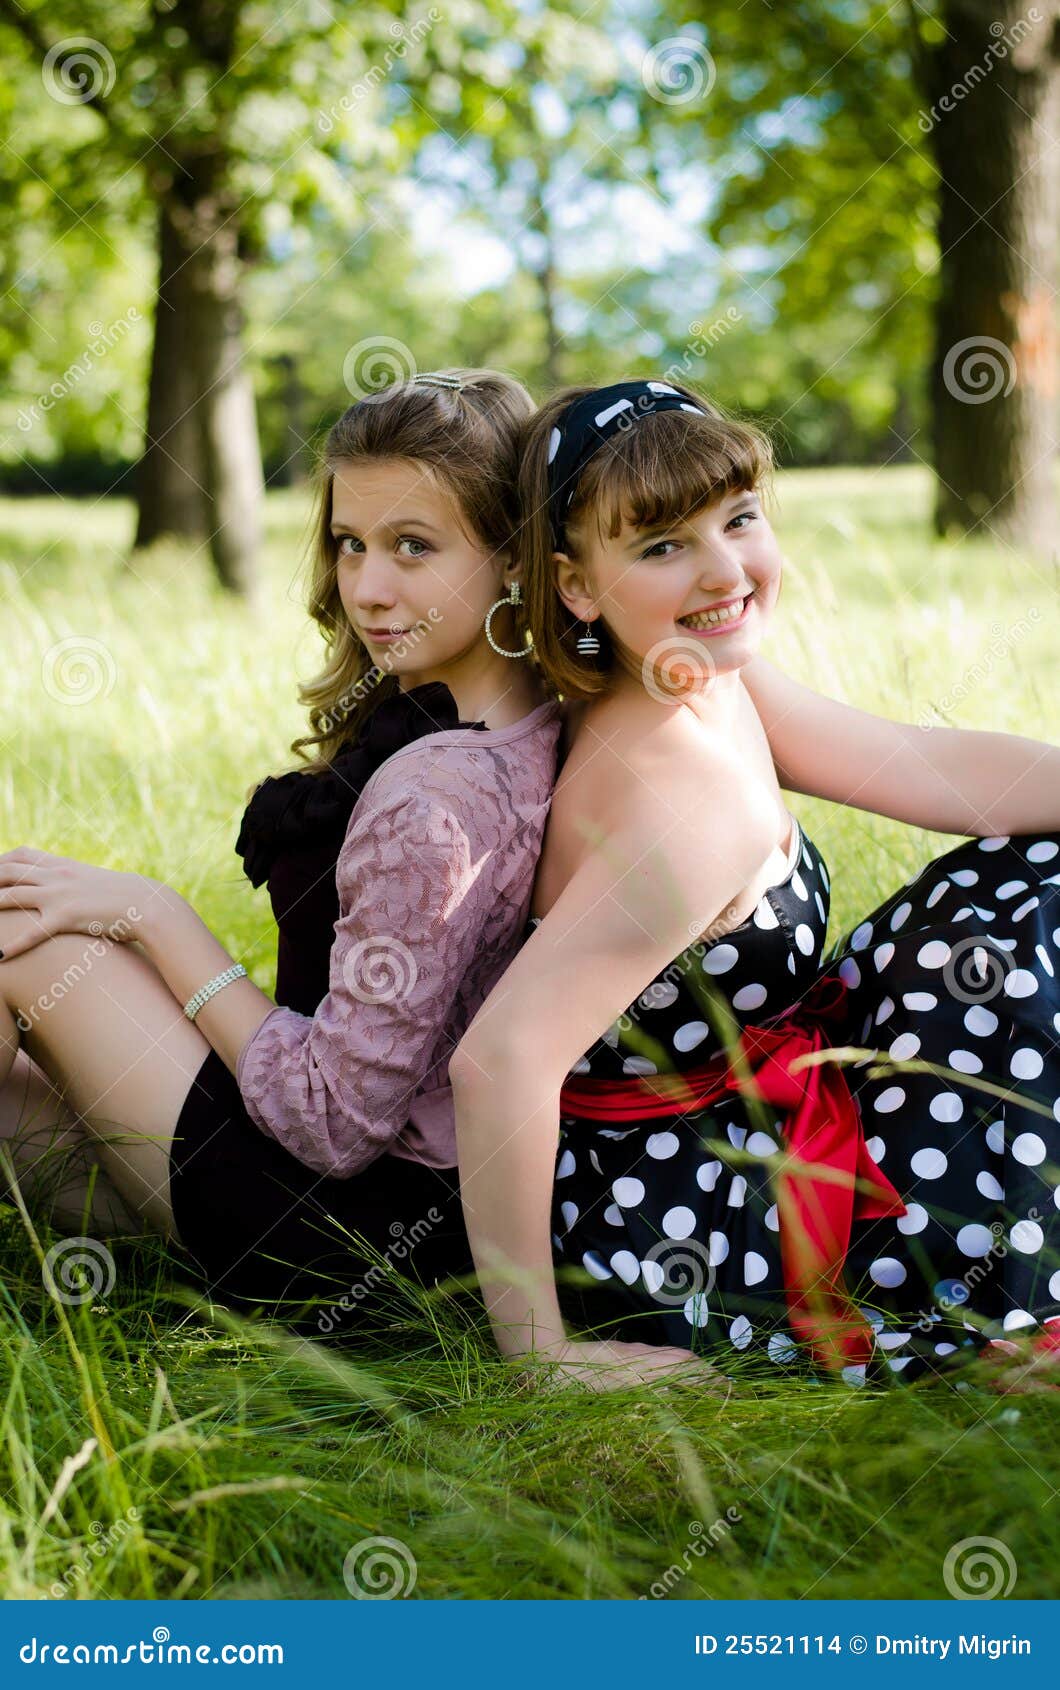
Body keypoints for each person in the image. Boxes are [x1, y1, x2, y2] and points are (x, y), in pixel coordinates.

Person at [449, 377, 1060, 1397]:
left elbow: (919, 765)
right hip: (690, 1206)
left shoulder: (695, 678)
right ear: (577, 586)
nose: (725, 569)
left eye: (737, 518)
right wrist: (541, 1354)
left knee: (1025, 879)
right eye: (662, 545)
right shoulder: (685, 802)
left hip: (760, 1103)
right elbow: (498, 1062)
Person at [0, 369, 562, 1335]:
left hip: (355, 1234)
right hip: (413, 1216)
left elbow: (334, 1123)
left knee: (31, 939)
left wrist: (156, 918)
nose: (368, 589)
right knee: (21, 1096)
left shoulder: (436, 799)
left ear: (514, 555)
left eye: (414, 547)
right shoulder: (524, 717)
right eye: (351, 543)